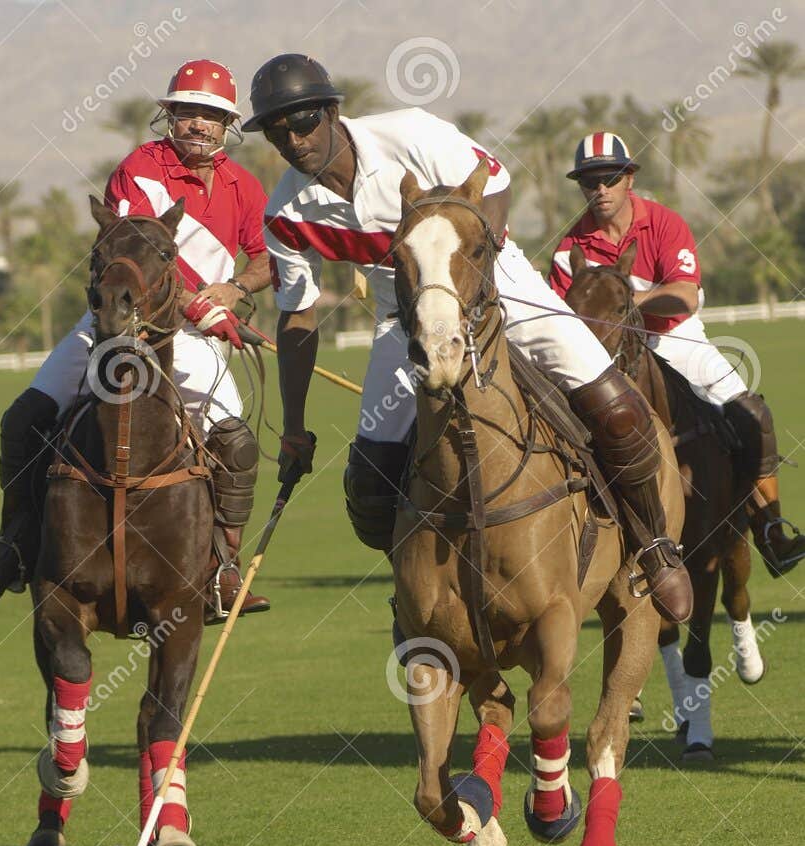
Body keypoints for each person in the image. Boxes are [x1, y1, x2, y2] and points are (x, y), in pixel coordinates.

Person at [245, 55, 694, 623]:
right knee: (369, 483)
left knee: (618, 406)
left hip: (495, 284)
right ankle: (415, 588)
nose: (292, 138)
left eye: (303, 120)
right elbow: (298, 317)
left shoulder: (409, 132)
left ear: (333, 112)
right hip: (403, 318)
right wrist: (291, 425)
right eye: (277, 129)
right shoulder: (286, 212)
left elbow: (496, 182)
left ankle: (654, 543)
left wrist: (478, 274)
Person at [0, 59, 274, 620]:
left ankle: (222, 567)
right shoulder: (141, 170)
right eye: (185, 112)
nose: (197, 124)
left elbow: (267, 258)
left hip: (186, 339)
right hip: (113, 325)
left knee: (235, 439)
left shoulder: (243, 187)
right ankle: (12, 548)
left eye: (209, 115)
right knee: (23, 418)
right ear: (168, 117)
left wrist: (232, 289)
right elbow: (135, 252)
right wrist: (196, 301)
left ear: (228, 124)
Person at [550, 132, 804, 577]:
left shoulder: (664, 224)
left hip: (674, 339)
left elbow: (685, 296)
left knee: (752, 415)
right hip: (604, 356)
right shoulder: (571, 248)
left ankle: (770, 531)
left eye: (609, 177)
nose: (600, 189)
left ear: (629, 178)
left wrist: (624, 306)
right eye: (589, 182)